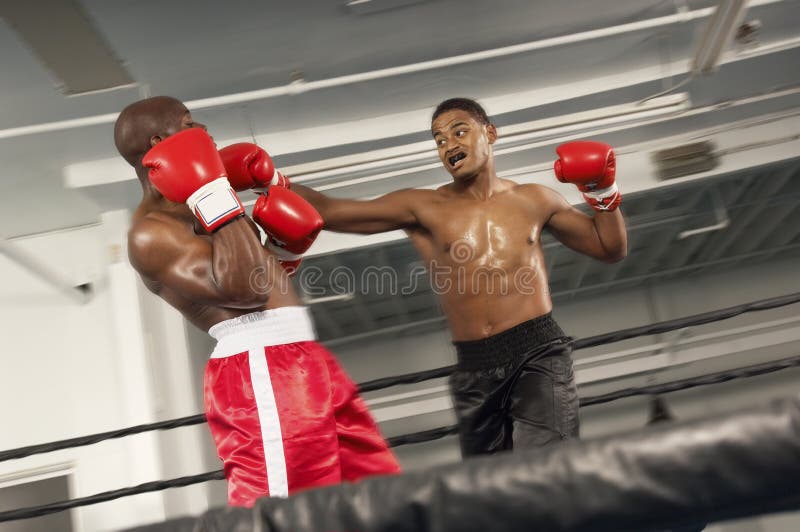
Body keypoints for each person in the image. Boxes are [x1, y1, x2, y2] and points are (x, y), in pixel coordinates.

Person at [290, 97, 628, 457]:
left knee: (548, 470)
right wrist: (270, 181)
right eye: (439, 140)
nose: (449, 145)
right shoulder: (423, 206)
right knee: (486, 491)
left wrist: (602, 192)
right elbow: (332, 211)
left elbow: (608, 248)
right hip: (474, 366)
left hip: (537, 353)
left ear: (490, 133)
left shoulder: (535, 199)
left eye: (459, 131)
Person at [113, 96, 400, 507]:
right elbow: (247, 289)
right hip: (260, 366)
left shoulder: (201, 205)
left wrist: (284, 249)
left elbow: (265, 278)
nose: (205, 132)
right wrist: (212, 190)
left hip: (300, 357)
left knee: (374, 493)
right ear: (161, 141)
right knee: (289, 510)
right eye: (190, 123)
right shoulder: (150, 233)